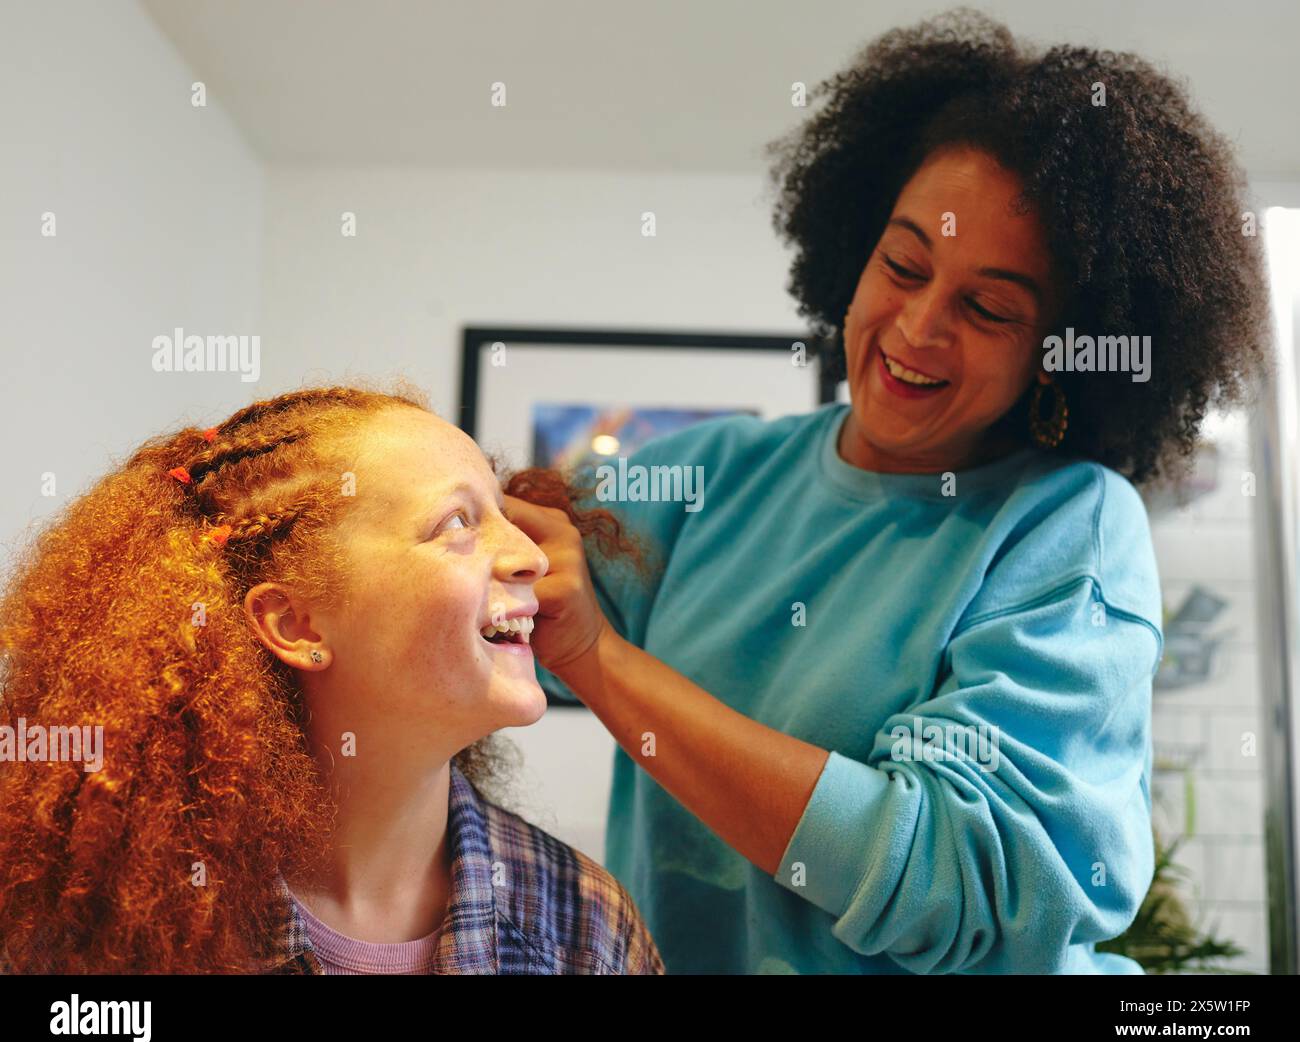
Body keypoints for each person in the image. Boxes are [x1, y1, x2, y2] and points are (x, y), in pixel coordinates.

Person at [508, 10, 1273, 974]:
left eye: (987, 307)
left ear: (1059, 356)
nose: (916, 327)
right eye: (902, 264)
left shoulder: (1064, 526)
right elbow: (487, 605)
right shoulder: (704, 475)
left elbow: (952, 882)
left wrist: (602, 661)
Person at [0, 384, 662, 975]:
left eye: (506, 517)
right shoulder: (95, 927)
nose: (534, 557)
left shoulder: (584, 926)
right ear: (296, 625)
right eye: (457, 522)